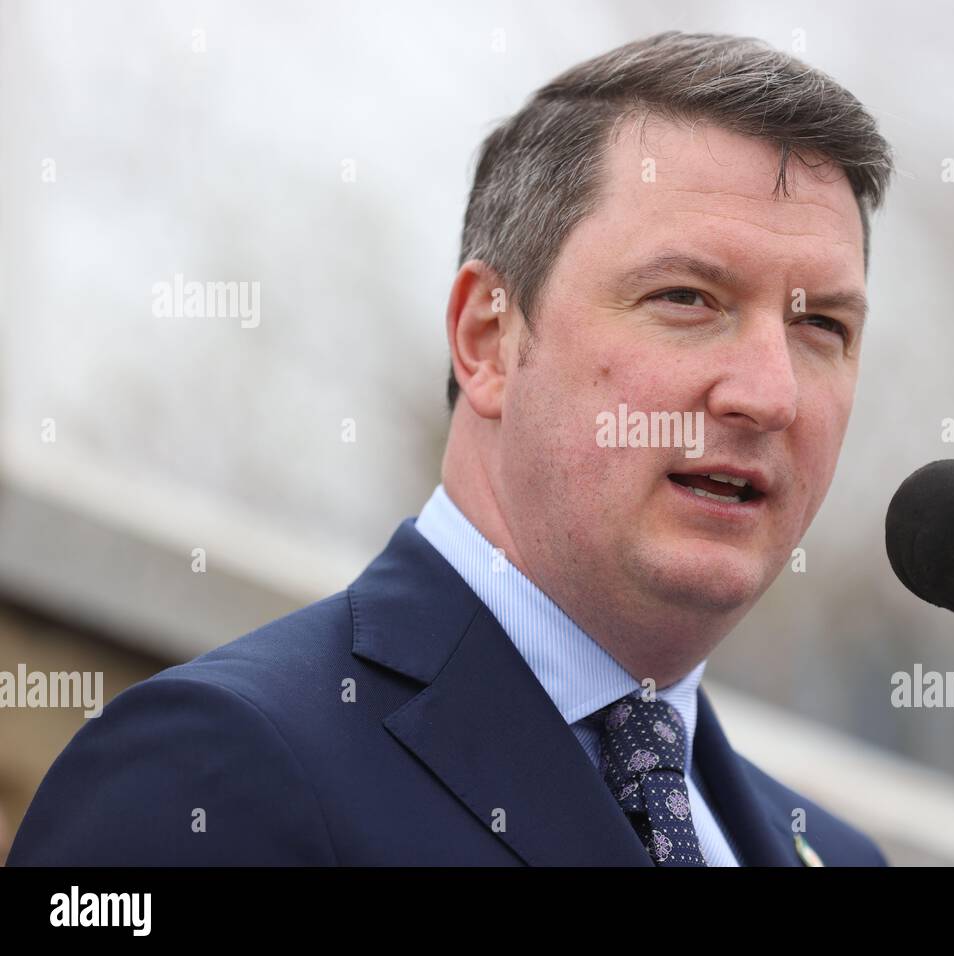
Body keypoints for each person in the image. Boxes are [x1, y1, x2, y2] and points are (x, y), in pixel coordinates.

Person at [10, 29, 893, 867]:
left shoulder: (833, 853)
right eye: (687, 298)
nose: (769, 393)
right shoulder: (214, 769)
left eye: (821, 324)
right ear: (486, 338)